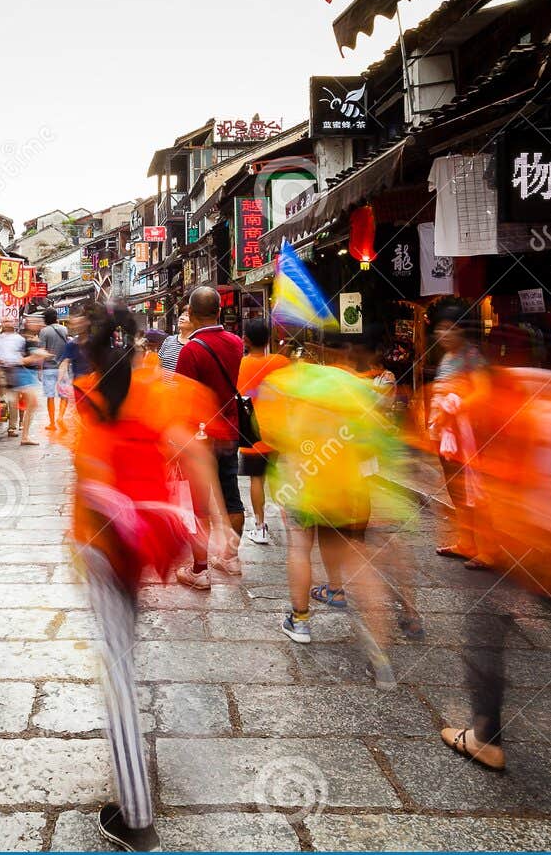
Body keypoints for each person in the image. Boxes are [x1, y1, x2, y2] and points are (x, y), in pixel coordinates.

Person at [69, 303, 220, 851]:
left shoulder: (89, 393)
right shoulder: (160, 392)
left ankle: (137, 819)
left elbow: (93, 474)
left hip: (103, 544)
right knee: (123, 657)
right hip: (144, 541)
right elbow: (195, 453)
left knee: (117, 675)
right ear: (134, 344)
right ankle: (134, 804)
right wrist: (215, 526)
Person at [258, 353, 400, 690]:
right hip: (346, 486)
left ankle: (301, 621)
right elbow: (379, 438)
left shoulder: (292, 388)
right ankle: (380, 650)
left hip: (305, 483)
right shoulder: (355, 390)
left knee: (299, 547)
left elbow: (273, 436)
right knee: (356, 558)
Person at [171, 286, 246, 584]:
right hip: (229, 431)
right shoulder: (236, 343)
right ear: (219, 311)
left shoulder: (190, 350)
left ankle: (200, 570)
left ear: (190, 313)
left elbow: (181, 399)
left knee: (200, 503)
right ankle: (231, 558)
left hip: (199, 436)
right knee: (231, 498)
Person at [427, 300, 488, 567]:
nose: (444, 334)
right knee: (458, 492)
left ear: (462, 330)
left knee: (475, 491)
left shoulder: (471, 356)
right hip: (446, 436)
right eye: (440, 329)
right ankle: (467, 542)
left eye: (450, 328)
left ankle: (489, 550)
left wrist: (456, 407)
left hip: (468, 436)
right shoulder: (447, 357)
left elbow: (484, 391)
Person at [236, 318, 288, 547]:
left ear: (246, 340)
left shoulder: (240, 365)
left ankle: (260, 527)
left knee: (257, 479)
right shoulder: (281, 362)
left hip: (252, 431)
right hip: (277, 430)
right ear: (268, 339)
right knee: (276, 476)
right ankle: (288, 523)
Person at [0, 316, 47, 445]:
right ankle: (16, 430)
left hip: (21, 372)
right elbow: (20, 359)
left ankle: (18, 429)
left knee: (23, 403)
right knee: (11, 401)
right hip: (14, 372)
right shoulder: (1, 339)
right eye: (5, 320)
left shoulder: (21, 338)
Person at [38, 307, 71, 431]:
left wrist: (39, 370)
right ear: (56, 317)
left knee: (50, 396)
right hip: (63, 368)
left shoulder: (44, 331)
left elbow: (42, 351)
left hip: (48, 368)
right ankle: (61, 417)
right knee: (64, 395)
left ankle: (52, 423)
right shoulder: (64, 329)